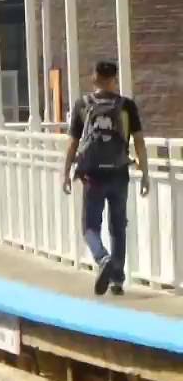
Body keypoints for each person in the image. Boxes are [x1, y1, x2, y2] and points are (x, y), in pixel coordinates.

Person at [62, 60, 150, 296]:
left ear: (94, 78)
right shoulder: (126, 106)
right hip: (119, 174)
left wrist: (66, 173)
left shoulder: (83, 105)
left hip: (92, 176)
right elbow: (139, 141)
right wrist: (145, 174)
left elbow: (72, 144)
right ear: (114, 79)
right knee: (118, 226)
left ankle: (102, 258)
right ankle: (117, 279)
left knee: (90, 226)